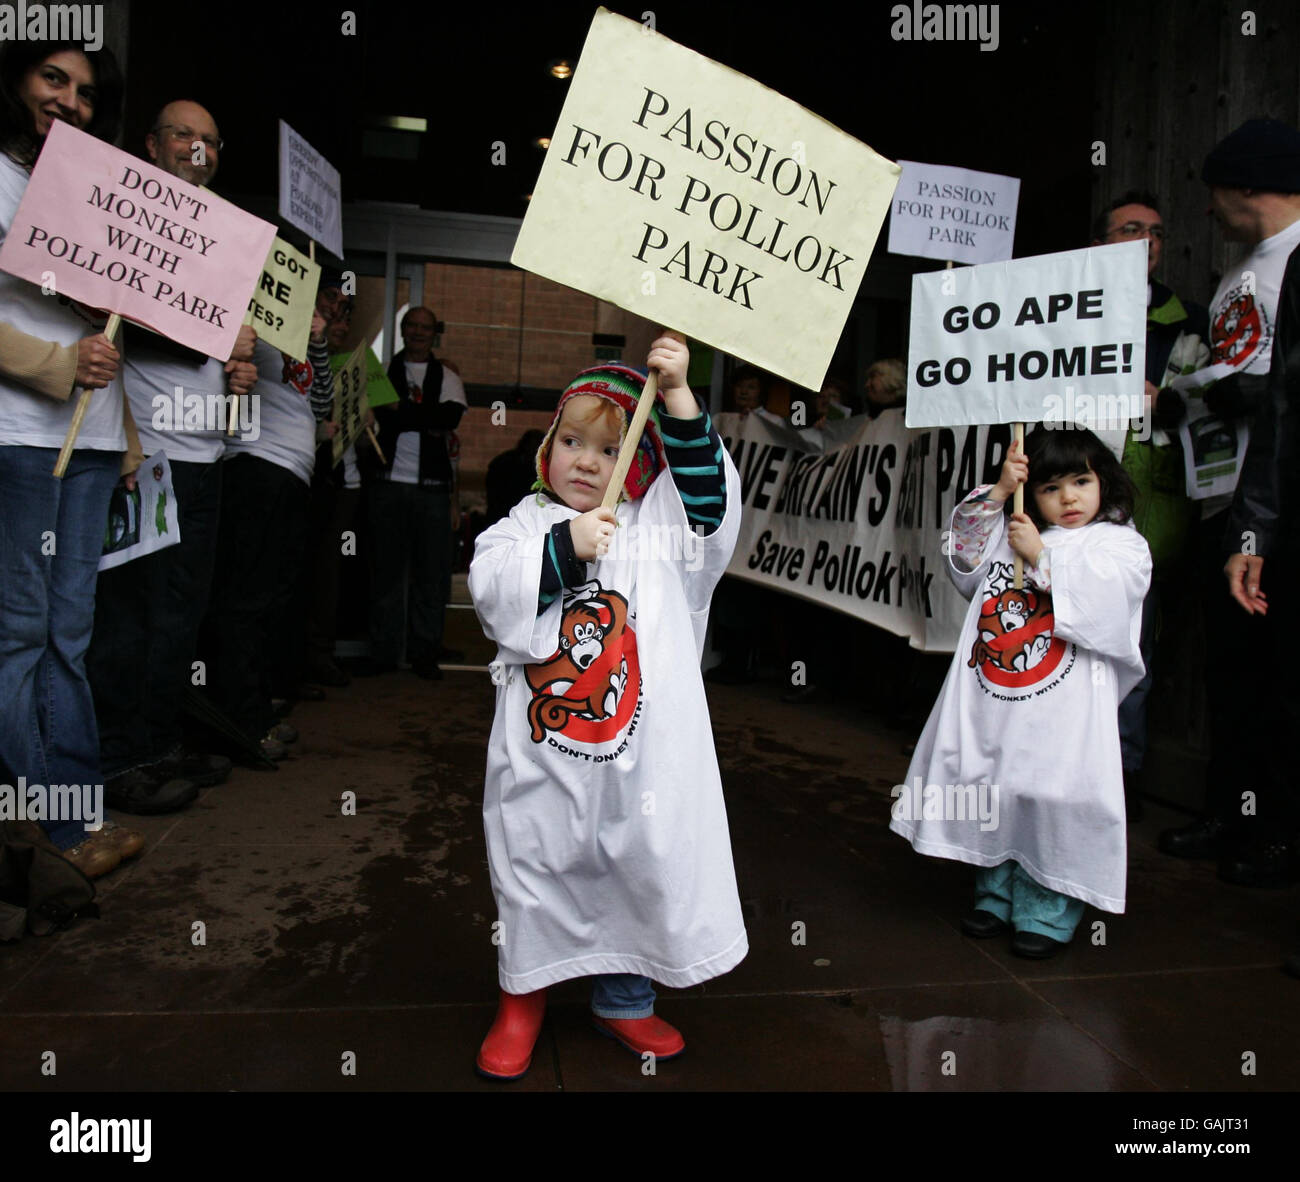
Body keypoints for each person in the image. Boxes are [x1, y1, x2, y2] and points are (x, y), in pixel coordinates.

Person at [467, 338, 747, 1078]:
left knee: (638, 866)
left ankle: (625, 996)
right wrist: (565, 546)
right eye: (571, 441)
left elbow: (712, 506)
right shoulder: (522, 528)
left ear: (642, 464)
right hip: (544, 757)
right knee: (534, 861)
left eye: (609, 447)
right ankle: (522, 999)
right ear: (546, 450)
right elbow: (494, 594)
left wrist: (681, 396)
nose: (587, 461)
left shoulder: (662, 528)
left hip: (644, 760)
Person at [891, 427, 1151, 958]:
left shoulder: (1120, 543)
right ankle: (995, 892)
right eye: (1051, 487)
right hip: (999, 702)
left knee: (1053, 793)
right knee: (999, 786)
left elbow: (1107, 604)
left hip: (1065, 708)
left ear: (1106, 481)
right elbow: (962, 561)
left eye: (1081, 481)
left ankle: (1049, 905)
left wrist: (1042, 559)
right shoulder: (1014, 528)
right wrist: (996, 494)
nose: (1069, 498)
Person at [86, 99, 258, 815]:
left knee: (181, 614)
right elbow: (126, 319)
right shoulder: (131, 223)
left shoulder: (221, 240)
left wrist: (238, 378)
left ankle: (158, 740)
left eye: (212, 139)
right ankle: (120, 759)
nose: (199, 147)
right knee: (134, 616)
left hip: (203, 457)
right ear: (153, 147)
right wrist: (222, 341)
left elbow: (221, 348)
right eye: (184, 134)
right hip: (147, 454)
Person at [0, 40, 144, 878]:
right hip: (22, 438)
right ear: (17, 80)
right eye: (54, 79)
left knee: (69, 637)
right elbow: (64, 347)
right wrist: (59, 368)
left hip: (90, 443)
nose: (70, 102)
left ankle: (76, 817)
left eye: (87, 93)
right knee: (20, 636)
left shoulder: (92, 200)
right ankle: (47, 834)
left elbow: (112, 327)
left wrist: (122, 440)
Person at [1156, 119, 1300, 885]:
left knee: (1277, 682)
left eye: (1216, 190)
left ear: (1248, 184)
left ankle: (1277, 835)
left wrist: (1251, 392)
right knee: (1231, 677)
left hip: (1274, 512)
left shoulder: (1294, 264)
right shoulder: (1240, 272)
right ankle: (1232, 814)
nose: (1208, 210)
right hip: (1223, 504)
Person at [1091, 190, 1208, 820]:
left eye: (1157, 231)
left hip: (1153, 506)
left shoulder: (1187, 319)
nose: (1147, 239)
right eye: (1130, 228)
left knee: (1130, 648)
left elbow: (1213, 404)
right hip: (1081, 497)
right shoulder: (1070, 306)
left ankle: (1119, 781)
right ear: (1101, 243)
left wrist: (1167, 401)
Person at [360, 306, 468, 678]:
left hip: (432, 491)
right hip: (386, 485)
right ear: (403, 330)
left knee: (431, 576)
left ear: (433, 334)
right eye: (413, 326)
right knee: (385, 573)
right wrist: (424, 417)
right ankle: (384, 654)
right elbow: (378, 414)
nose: (419, 332)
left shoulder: (448, 375)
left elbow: (449, 419)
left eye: (426, 327)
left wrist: (396, 409)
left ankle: (425, 654)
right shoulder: (380, 371)